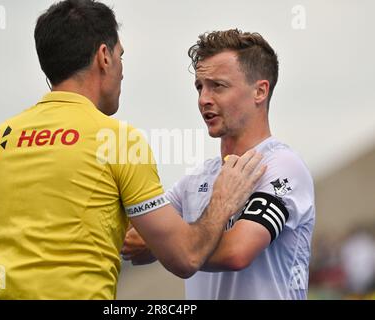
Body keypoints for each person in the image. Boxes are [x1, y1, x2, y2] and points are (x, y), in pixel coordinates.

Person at [0, 1, 265, 300]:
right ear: (104, 56)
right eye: (121, 55)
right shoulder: (117, 140)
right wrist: (223, 198)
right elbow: (186, 257)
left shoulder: (1, 139)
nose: (122, 70)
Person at [122, 29, 316, 300]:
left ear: (260, 91)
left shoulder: (282, 166)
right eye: (200, 87)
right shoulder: (196, 180)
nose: (204, 99)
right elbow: (133, 241)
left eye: (218, 86)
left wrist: (179, 243)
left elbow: (237, 252)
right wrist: (215, 209)